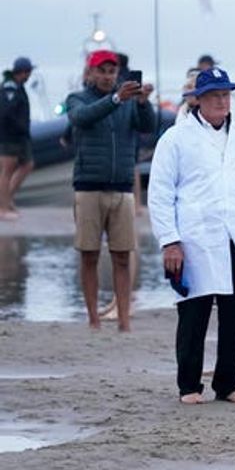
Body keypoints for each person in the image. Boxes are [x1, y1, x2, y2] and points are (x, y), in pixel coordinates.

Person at [148, 66, 235, 405]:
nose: (222, 101)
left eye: (226, 95)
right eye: (215, 96)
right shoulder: (175, 138)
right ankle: (189, 386)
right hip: (195, 238)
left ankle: (227, 383)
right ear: (198, 100)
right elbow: (160, 193)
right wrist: (169, 240)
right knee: (194, 313)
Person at [66, 50, 155, 332]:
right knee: (88, 255)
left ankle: (124, 320)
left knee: (122, 256)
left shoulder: (128, 101)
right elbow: (81, 118)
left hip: (122, 190)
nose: (107, 77)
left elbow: (148, 127)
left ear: (117, 74)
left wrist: (142, 103)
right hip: (88, 186)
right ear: (90, 73)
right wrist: (117, 99)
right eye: (101, 71)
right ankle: (93, 319)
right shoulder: (77, 98)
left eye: (111, 72)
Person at [0, 56, 36, 220]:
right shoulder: (10, 87)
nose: (29, 76)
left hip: (20, 136)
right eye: (28, 72)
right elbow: (6, 112)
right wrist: (20, 127)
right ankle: (2, 207)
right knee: (7, 170)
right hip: (10, 135)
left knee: (27, 165)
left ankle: (7, 199)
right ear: (22, 72)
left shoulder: (18, 87)